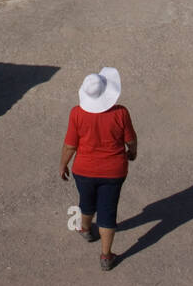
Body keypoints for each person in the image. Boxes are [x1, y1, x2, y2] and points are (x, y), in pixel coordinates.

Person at [59, 66, 137, 272]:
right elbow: (130, 139)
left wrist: (63, 164)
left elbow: (70, 145)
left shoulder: (76, 114)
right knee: (107, 212)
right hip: (114, 172)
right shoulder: (121, 113)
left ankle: (85, 229)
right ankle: (106, 256)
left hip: (83, 170)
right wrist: (132, 152)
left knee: (86, 201)